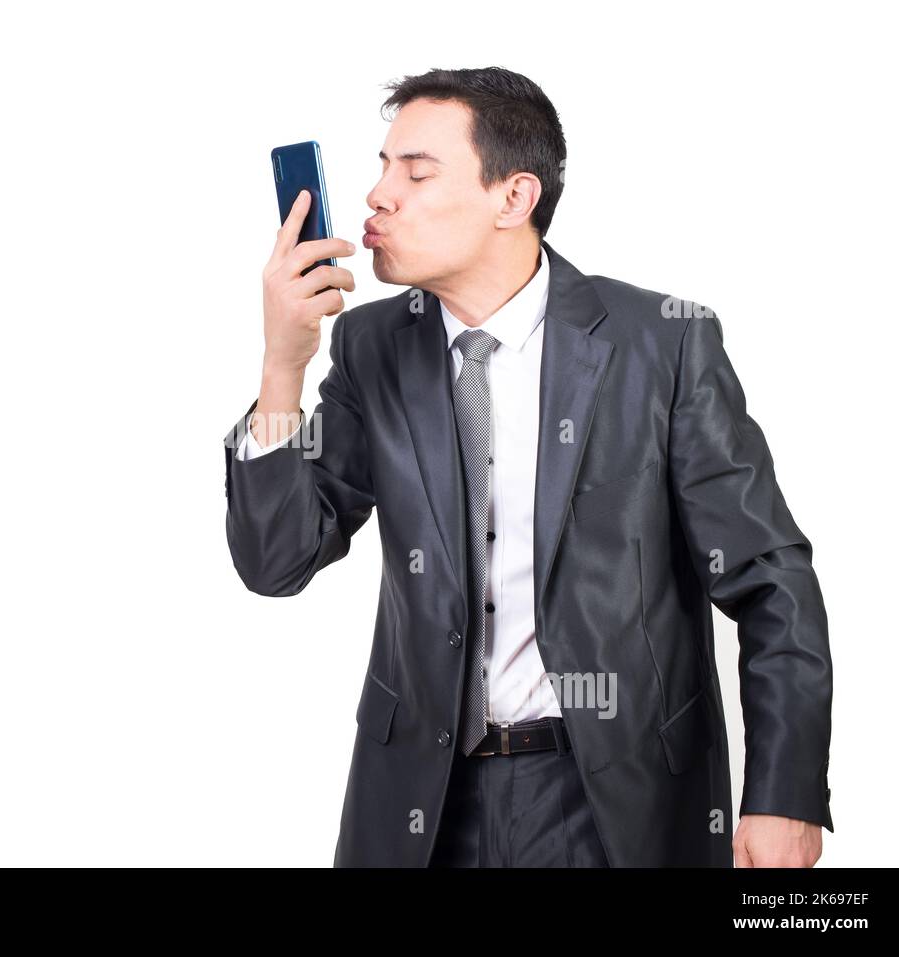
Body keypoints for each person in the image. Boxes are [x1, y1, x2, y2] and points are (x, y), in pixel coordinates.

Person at [221, 67, 832, 867]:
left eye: (415, 171)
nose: (378, 195)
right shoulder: (373, 347)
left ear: (514, 197)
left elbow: (769, 576)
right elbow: (277, 561)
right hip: (423, 802)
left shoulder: (661, 344)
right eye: (380, 166)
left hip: (611, 798)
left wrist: (783, 790)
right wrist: (281, 369)